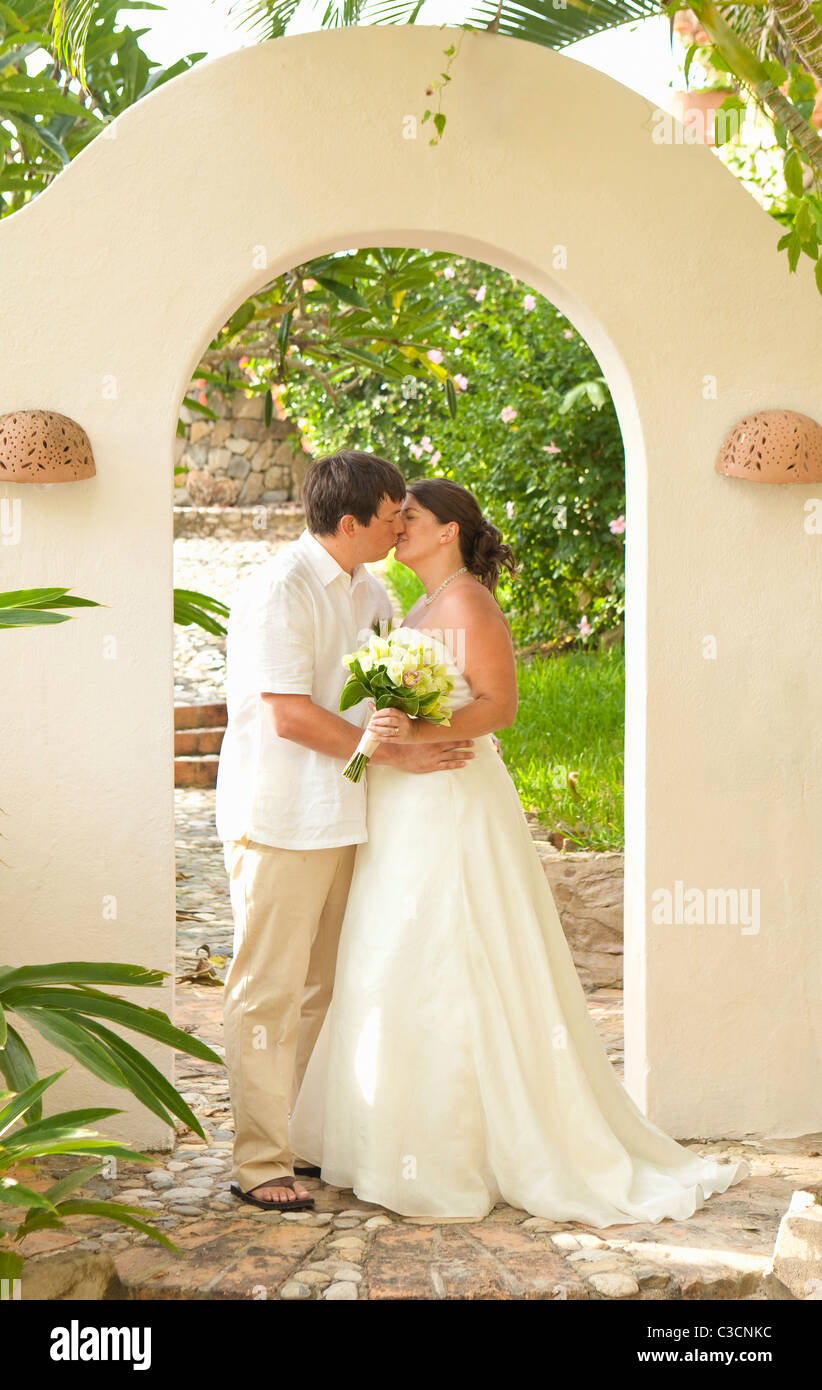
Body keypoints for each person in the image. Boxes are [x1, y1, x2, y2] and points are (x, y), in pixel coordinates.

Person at [288, 477, 752, 1224]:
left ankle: (465, 1152)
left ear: (448, 532)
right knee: (388, 953)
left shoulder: (469, 602)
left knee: (450, 948)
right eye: (395, 517)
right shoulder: (417, 606)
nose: (398, 527)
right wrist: (394, 731)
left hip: (452, 798)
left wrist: (417, 732)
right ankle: (386, 1142)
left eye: (411, 517)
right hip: (405, 800)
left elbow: (499, 707)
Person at [215, 453, 476, 1212]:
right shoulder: (282, 588)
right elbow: (288, 715)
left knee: (321, 991)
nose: (401, 526)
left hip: (346, 814)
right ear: (352, 521)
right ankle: (258, 1162)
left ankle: (298, 1139)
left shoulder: (370, 589)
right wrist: (393, 753)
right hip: (281, 816)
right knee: (267, 991)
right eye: (392, 516)